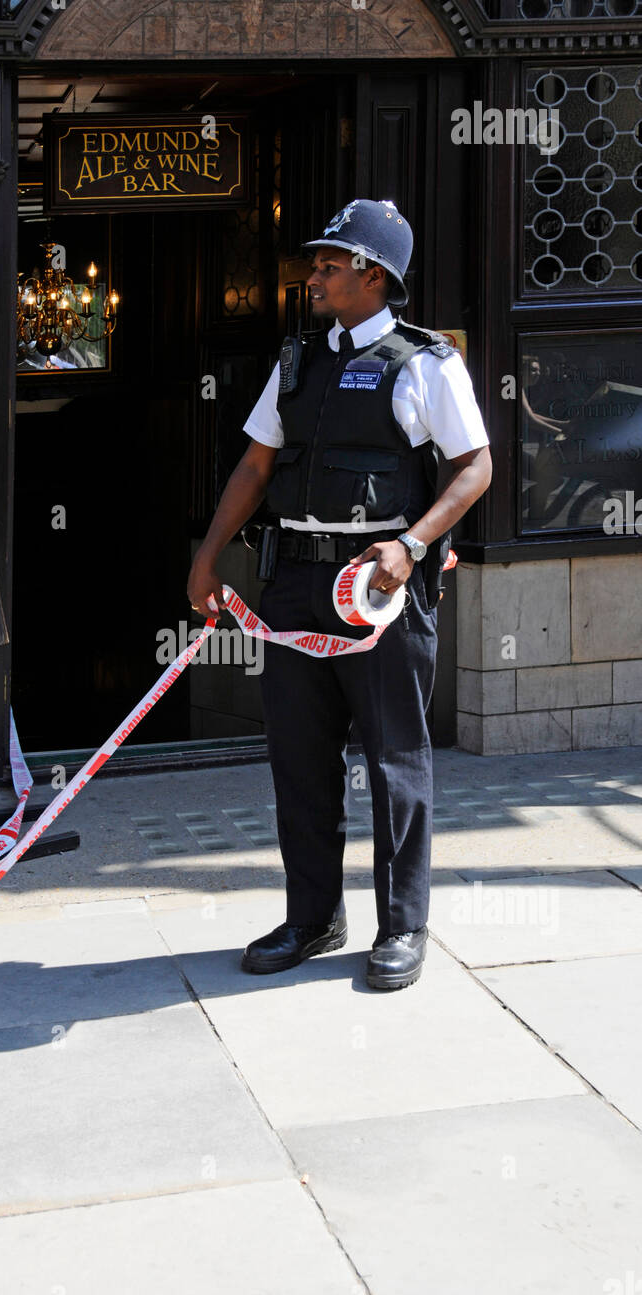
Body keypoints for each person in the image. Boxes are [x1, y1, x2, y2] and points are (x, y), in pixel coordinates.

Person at [187, 198, 492, 990]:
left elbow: (474, 467)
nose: (313, 274)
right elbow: (256, 466)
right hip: (291, 583)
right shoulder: (295, 361)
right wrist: (209, 557)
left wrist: (412, 544)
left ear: (374, 275)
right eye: (318, 262)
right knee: (297, 756)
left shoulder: (424, 364)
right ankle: (313, 917)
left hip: (379, 588)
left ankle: (402, 927)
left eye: (330, 263)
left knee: (393, 759)